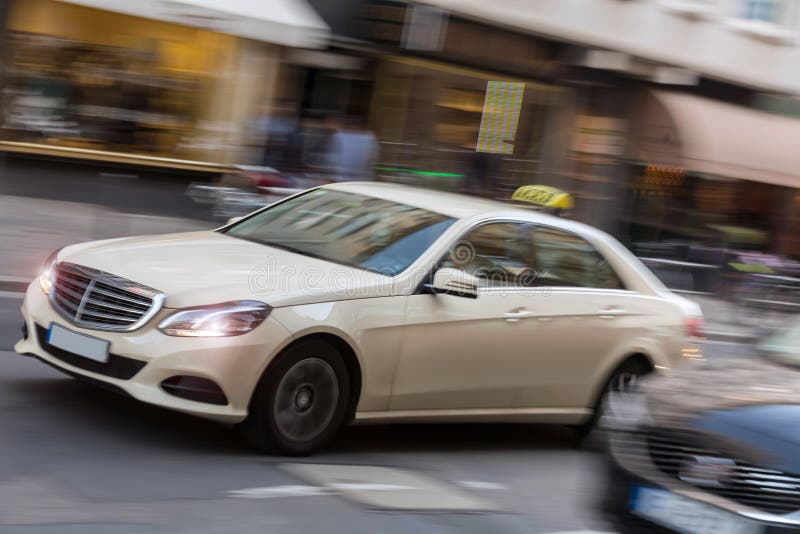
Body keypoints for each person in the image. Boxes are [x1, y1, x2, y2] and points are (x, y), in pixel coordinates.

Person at [324, 115, 378, 182]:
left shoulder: (339, 136)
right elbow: (372, 159)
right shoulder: (370, 138)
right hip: (360, 180)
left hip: (340, 179)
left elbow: (331, 159)